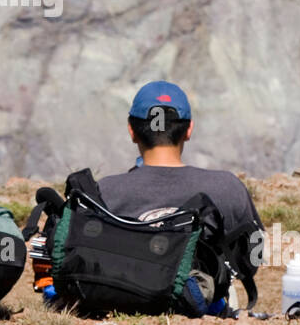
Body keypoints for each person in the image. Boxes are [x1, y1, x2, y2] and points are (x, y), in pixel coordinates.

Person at [95, 80, 262, 306]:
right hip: (201, 307)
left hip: (121, 303)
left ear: (132, 131)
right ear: (189, 130)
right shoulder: (226, 187)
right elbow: (253, 257)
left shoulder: (104, 191)